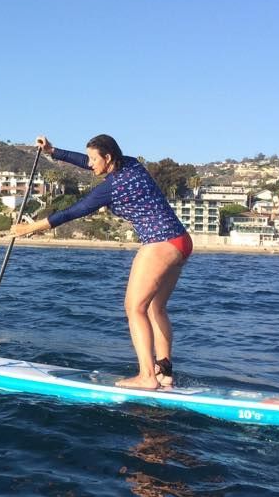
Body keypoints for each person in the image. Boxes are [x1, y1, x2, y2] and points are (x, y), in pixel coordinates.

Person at [11, 135, 193, 389]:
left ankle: (147, 377)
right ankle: (164, 372)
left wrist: (31, 228)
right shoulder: (131, 164)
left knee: (134, 309)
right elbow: (85, 162)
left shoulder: (112, 187)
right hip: (181, 241)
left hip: (159, 243)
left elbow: (74, 211)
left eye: (95, 159)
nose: (90, 164)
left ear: (107, 158)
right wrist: (54, 151)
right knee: (155, 308)